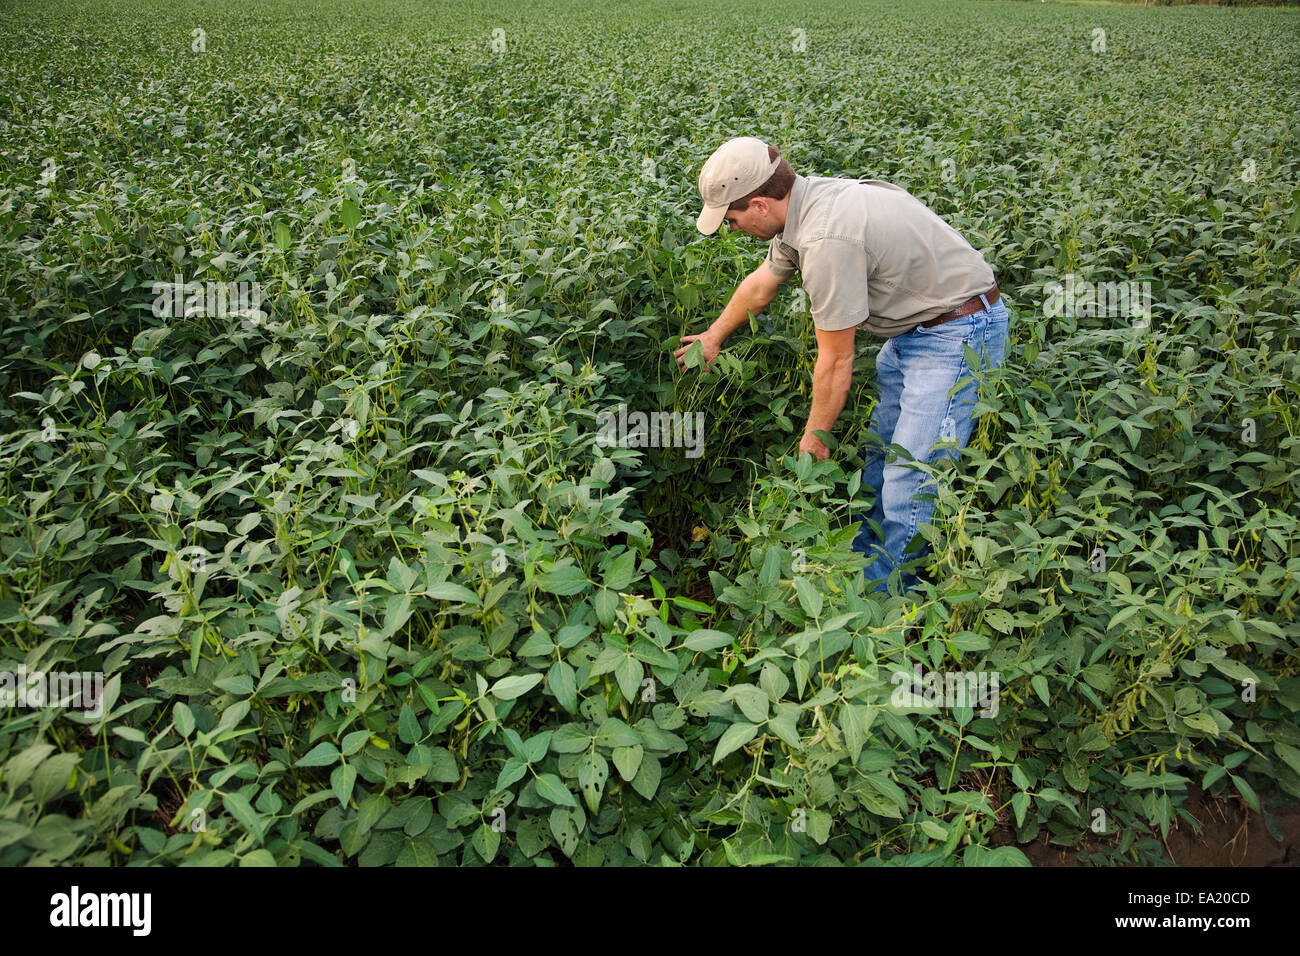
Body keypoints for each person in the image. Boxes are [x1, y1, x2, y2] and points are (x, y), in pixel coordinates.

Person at [676, 136, 1010, 596]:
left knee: (912, 474)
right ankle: (867, 559)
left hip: (958, 334)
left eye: (731, 220)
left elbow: (836, 360)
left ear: (758, 205)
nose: (731, 229)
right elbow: (762, 284)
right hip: (916, 330)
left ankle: (892, 599)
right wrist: (714, 336)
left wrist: (814, 443)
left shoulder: (825, 238)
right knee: (882, 456)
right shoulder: (803, 207)